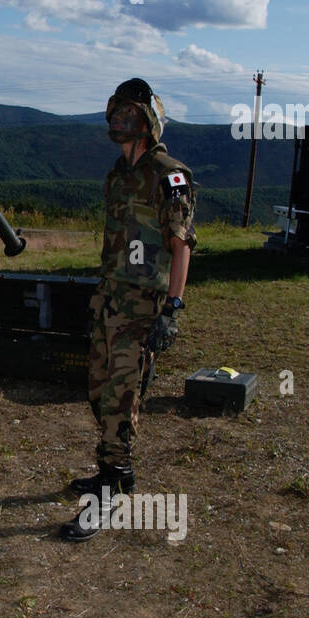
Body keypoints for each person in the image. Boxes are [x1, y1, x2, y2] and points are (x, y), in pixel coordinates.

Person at [60, 78, 196, 542]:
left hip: (143, 306)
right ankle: (118, 471)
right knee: (98, 389)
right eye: (116, 112)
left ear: (148, 123)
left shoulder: (170, 175)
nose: (119, 120)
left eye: (129, 114)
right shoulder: (118, 174)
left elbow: (181, 246)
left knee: (120, 395)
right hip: (109, 298)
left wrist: (172, 308)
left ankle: (111, 487)